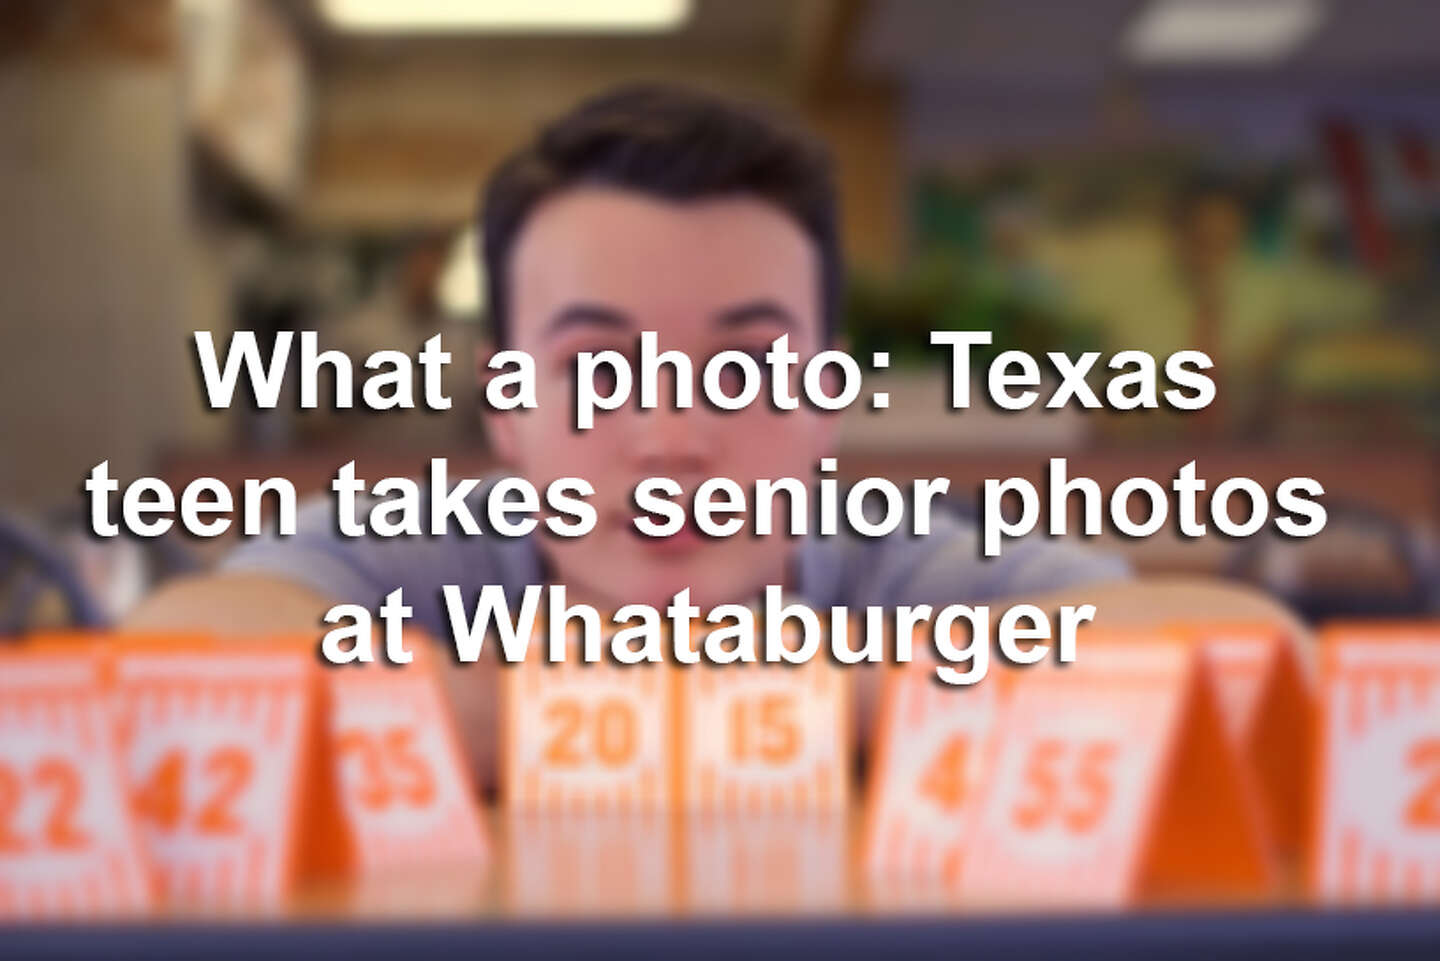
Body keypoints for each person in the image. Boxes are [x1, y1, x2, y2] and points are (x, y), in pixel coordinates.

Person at [125, 84, 1305, 786]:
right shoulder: (419, 553)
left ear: (829, 400)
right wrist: (812, 708)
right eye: (594, 367)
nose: (673, 436)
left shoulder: (902, 563)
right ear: (505, 410)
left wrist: (710, 709)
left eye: (744, 366)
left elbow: (1247, 653)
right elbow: (180, 658)